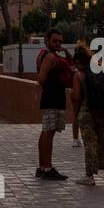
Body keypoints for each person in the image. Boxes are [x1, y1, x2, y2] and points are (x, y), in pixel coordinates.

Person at [34, 28, 74, 181]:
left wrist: (66, 52)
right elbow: (41, 79)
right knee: (48, 133)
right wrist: (53, 83)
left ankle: (42, 167)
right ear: (47, 41)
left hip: (52, 98)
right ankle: (47, 168)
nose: (58, 44)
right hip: (52, 98)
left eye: (60, 41)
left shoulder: (49, 55)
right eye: (55, 41)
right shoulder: (50, 57)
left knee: (46, 132)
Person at [71, 44, 104, 186]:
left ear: (78, 62)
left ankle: (89, 176)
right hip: (103, 112)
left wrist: (75, 113)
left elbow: (76, 97)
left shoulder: (78, 75)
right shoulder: (102, 72)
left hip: (87, 112)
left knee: (90, 143)